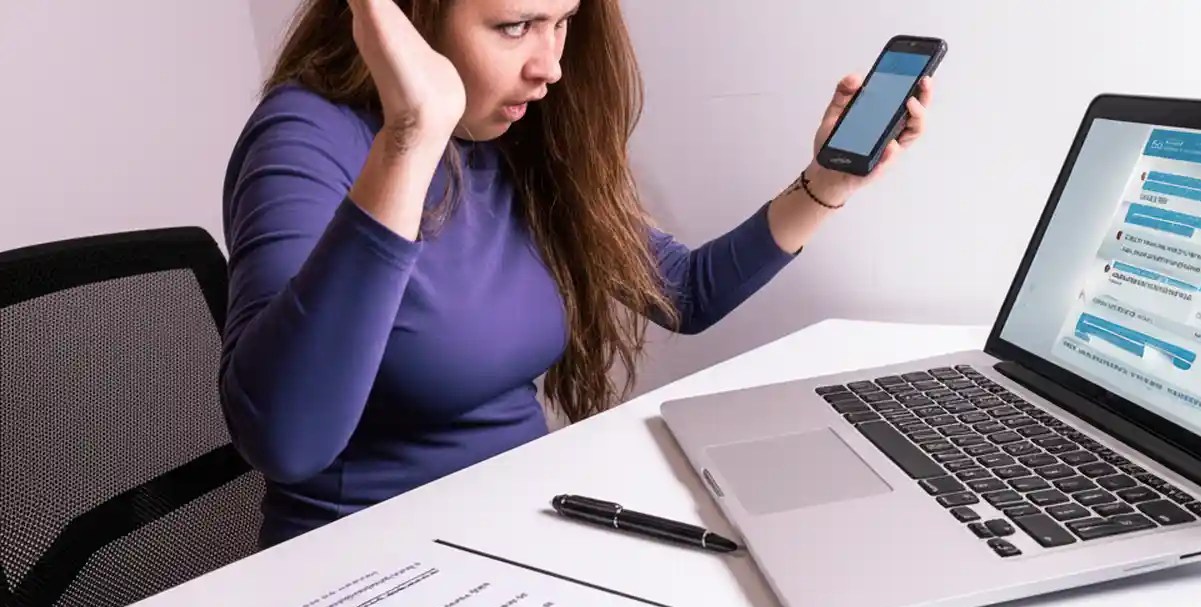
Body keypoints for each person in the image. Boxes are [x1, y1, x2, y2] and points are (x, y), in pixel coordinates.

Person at [219, 0, 934, 548]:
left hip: (518, 537)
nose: (549, 65)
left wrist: (827, 183)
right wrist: (413, 135)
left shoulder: (518, 134)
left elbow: (684, 292)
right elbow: (287, 441)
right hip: (362, 572)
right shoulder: (307, 134)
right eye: (515, 26)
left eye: (563, 21)